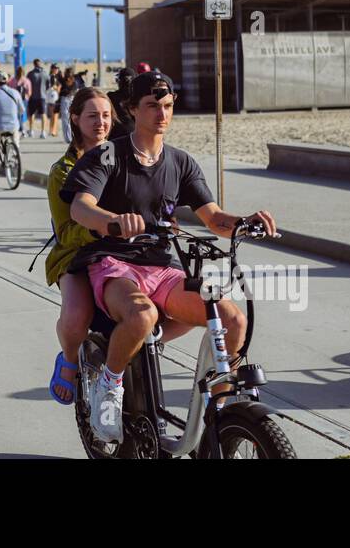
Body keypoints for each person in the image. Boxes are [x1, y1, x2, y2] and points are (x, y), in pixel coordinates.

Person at [61, 70, 278, 444]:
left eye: (167, 106)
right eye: (152, 106)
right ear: (131, 109)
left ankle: (223, 418)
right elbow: (80, 208)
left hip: (163, 266)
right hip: (115, 263)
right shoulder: (108, 155)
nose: (162, 115)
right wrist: (112, 222)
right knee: (142, 314)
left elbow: (213, 218)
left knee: (232, 319)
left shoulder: (180, 162)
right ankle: (107, 390)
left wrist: (244, 222)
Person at [45, 87, 114, 404]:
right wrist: (102, 229)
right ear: (75, 119)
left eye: (106, 115)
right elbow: (66, 232)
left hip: (123, 253)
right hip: (77, 255)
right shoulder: (62, 172)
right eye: (92, 116)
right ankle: (70, 359)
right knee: (76, 317)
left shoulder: (124, 158)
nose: (101, 123)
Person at [107, 68, 136, 140]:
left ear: (119, 81)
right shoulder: (140, 97)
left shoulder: (111, 97)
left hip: (115, 137)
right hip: (136, 137)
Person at [26, 58, 49, 138]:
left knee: (32, 114)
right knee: (43, 114)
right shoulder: (45, 73)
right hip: (42, 96)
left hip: (33, 97)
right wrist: (44, 91)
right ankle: (43, 131)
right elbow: (48, 85)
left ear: (34, 64)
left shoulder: (30, 74)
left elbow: (27, 85)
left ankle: (31, 130)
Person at [58, 68, 79, 144]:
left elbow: (74, 91)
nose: (68, 76)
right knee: (66, 120)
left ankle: (70, 137)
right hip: (66, 99)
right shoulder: (64, 81)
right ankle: (68, 138)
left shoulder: (74, 82)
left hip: (70, 99)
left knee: (69, 119)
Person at [10, 66, 32, 137]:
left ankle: (19, 128)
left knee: (16, 115)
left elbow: (10, 89)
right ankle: (22, 129)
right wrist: (28, 97)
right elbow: (29, 92)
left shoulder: (13, 80)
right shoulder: (26, 80)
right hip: (24, 99)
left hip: (15, 99)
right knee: (22, 114)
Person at [46, 63, 61, 137]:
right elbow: (54, 86)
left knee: (53, 115)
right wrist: (59, 88)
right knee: (55, 115)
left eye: (58, 68)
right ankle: (53, 131)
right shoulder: (53, 77)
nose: (57, 69)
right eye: (56, 68)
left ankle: (51, 130)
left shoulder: (51, 76)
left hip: (51, 98)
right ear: (52, 69)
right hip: (54, 98)